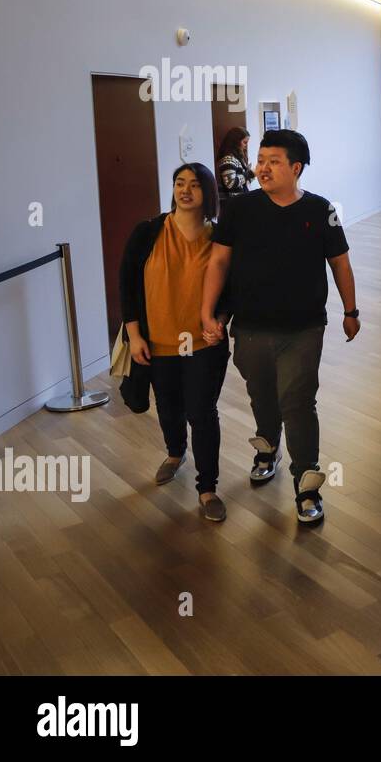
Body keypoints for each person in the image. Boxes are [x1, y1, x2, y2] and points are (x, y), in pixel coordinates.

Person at [201, 129, 358, 526]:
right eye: (260, 159)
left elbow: (340, 262)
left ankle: (306, 487)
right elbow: (218, 263)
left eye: (273, 161)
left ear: (296, 167)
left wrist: (350, 310)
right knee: (261, 394)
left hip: (304, 328)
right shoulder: (239, 210)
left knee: (299, 400)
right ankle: (268, 444)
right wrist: (207, 313)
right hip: (250, 326)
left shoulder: (321, 210)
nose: (262, 167)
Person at [120, 162, 230, 523]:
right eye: (179, 183)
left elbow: (232, 285)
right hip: (159, 341)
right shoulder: (148, 232)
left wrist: (221, 319)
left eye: (194, 185)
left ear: (207, 193)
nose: (185, 190)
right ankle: (174, 452)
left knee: (202, 412)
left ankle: (207, 487)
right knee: (167, 405)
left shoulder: (220, 236)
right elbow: (128, 286)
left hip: (202, 343)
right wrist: (134, 335)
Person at [216, 127, 254, 205]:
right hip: (234, 203)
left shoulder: (237, 157)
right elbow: (230, 183)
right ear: (236, 141)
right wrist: (250, 174)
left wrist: (252, 174)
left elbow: (242, 182)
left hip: (240, 200)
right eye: (245, 142)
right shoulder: (228, 159)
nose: (246, 146)